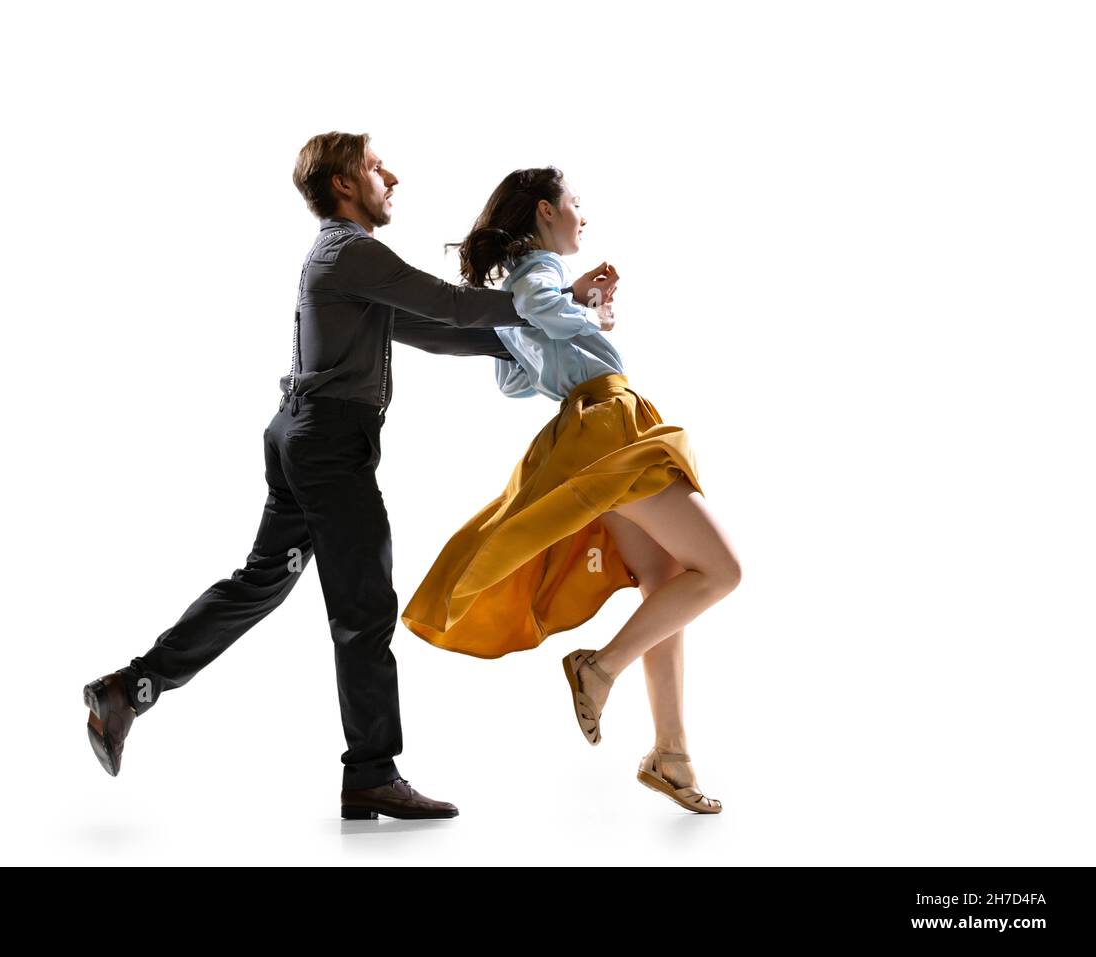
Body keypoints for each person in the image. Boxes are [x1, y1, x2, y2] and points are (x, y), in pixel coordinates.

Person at [82, 135, 618, 820]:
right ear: (342, 184)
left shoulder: (345, 261)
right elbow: (450, 306)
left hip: (304, 435)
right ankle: (370, 772)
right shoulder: (350, 250)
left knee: (262, 581)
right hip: (329, 444)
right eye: (374, 166)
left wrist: (532, 333)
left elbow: (434, 330)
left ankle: (130, 689)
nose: (389, 176)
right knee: (363, 608)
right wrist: (550, 307)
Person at [401, 166, 742, 814]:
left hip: (584, 429)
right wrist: (573, 297)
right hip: (608, 422)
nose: (582, 214)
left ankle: (670, 753)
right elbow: (538, 308)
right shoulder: (536, 272)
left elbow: (511, 381)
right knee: (723, 570)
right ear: (543, 211)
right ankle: (601, 667)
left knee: (665, 577)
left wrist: (581, 307)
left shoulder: (523, 282)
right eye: (575, 203)